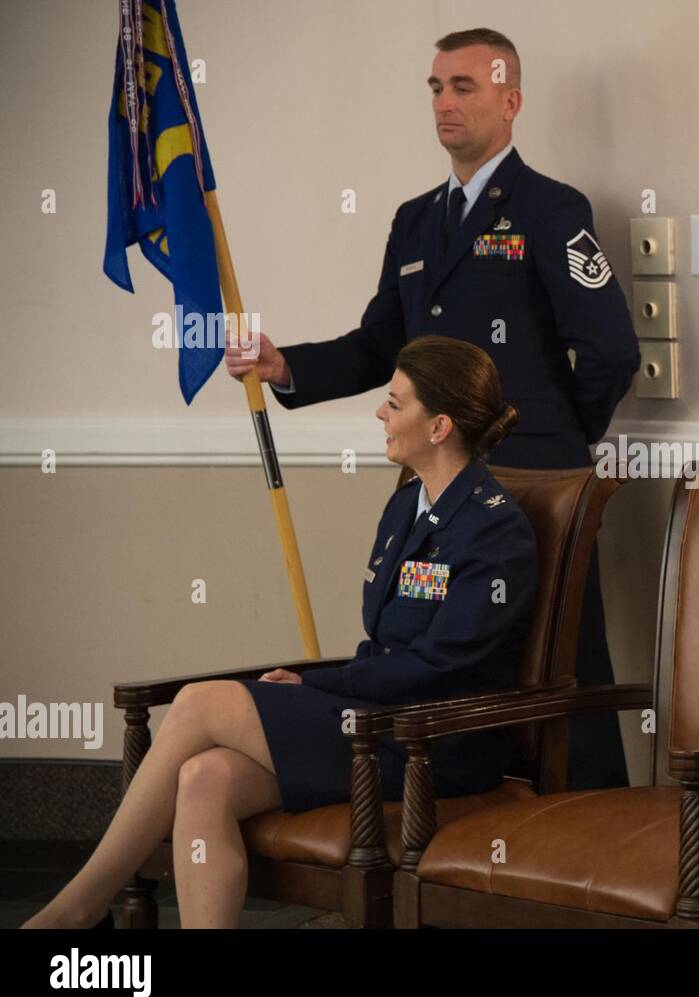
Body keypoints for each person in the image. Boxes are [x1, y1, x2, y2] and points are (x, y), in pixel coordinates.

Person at [224, 27, 638, 791]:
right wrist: (288, 369)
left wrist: (555, 437)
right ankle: (446, 809)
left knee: (560, 669)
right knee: (436, 657)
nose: (446, 103)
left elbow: (611, 349)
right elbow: (382, 342)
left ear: (510, 101)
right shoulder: (416, 221)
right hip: (438, 483)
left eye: (466, 86)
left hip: (537, 475)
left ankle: (589, 833)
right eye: (436, 88)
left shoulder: (551, 209)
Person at [24, 336, 537, 928]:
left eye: (395, 404)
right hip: (376, 717)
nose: (380, 413)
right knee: (204, 778)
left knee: (197, 703)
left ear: (440, 425)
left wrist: (319, 686)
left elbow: (440, 667)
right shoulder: (406, 507)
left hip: (433, 742)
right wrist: (328, 685)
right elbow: (387, 645)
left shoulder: (494, 531)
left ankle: (78, 908)